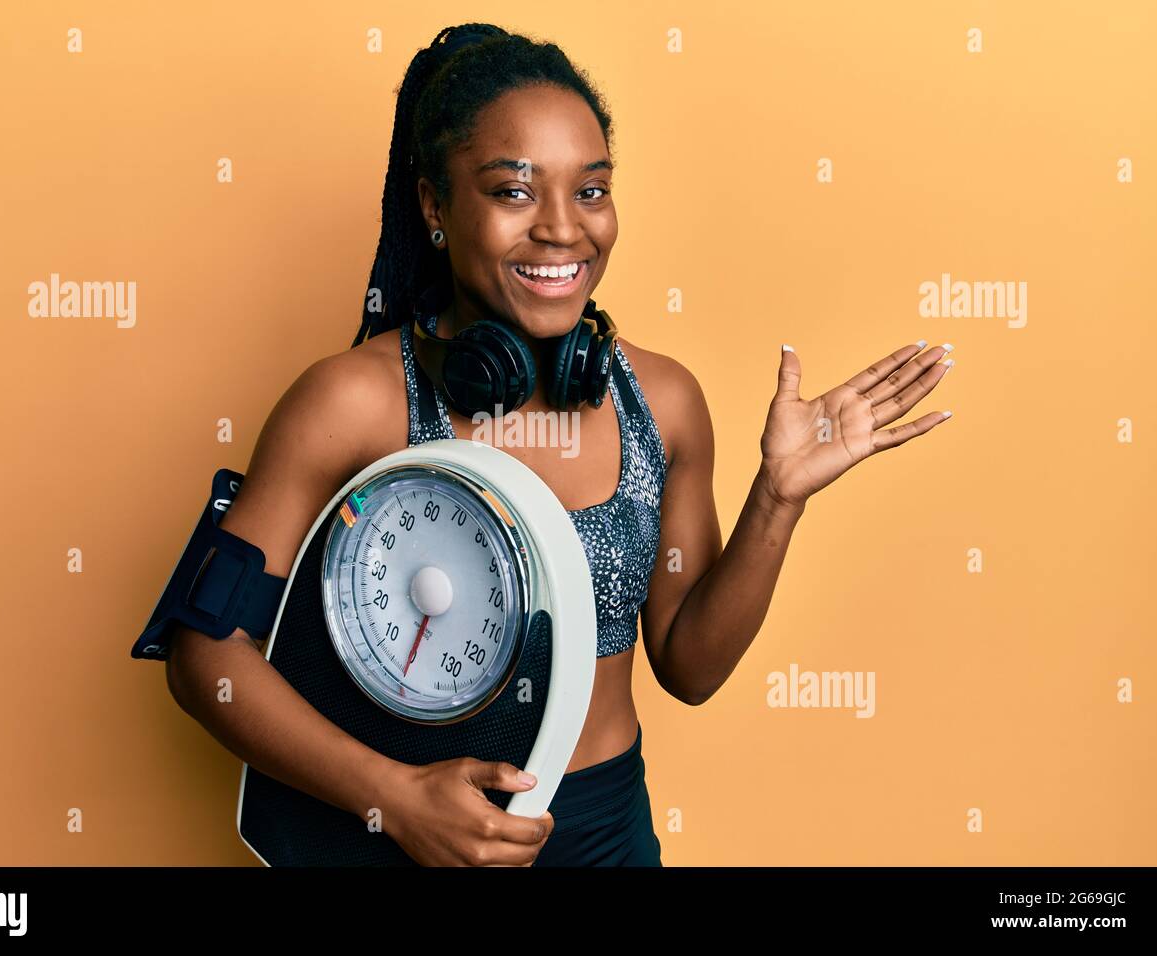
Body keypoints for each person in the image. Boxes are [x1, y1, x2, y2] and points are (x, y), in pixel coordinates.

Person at [164, 23, 953, 867]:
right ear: (435, 206)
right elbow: (203, 652)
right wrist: (390, 800)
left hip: (606, 832)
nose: (562, 230)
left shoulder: (666, 401)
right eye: (512, 192)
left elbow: (689, 665)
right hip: (409, 832)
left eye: (591, 190)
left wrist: (778, 499)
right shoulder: (352, 402)